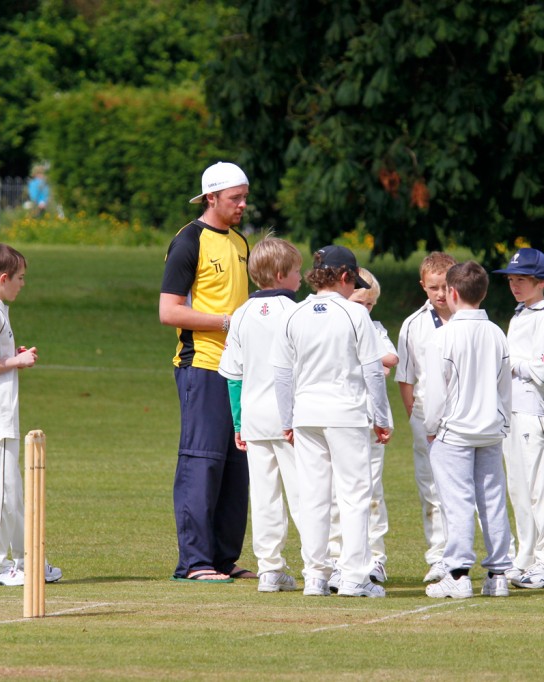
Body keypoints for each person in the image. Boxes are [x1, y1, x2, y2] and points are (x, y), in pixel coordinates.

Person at [271, 246, 392, 598]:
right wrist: (382, 418)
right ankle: (354, 577)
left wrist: (287, 419)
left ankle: (316, 576)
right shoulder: (355, 315)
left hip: (307, 415)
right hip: (347, 414)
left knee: (314, 496)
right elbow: (372, 369)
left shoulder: (294, 315)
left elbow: (282, 373)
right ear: (343, 276)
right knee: (354, 495)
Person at [159, 162, 254, 583]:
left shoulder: (240, 242)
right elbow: (169, 311)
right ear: (211, 197)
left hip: (239, 369)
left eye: (245, 196)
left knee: (237, 463)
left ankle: (223, 558)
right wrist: (227, 322)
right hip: (202, 366)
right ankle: (195, 562)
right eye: (235, 198)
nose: (243, 205)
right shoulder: (188, 241)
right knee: (203, 462)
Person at [0, 243, 61, 586]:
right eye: (20, 278)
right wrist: (17, 361)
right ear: (3, 278)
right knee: (0, 491)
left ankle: (28, 559)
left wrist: (12, 355)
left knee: (10, 490)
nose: (22, 283)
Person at [422, 261, 514, 599]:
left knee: (457, 501)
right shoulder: (497, 333)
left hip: (454, 432)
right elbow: (505, 386)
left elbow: (435, 393)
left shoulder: (442, 337)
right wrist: (502, 421)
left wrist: (431, 427)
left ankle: (458, 573)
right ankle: (498, 573)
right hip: (490, 428)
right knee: (492, 500)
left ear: (452, 293)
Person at [218, 235, 304, 593]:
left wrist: (238, 422)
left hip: (254, 418)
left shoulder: (240, 314)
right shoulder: (296, 312)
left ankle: (270, 568)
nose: (301, 278)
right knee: (306, 492)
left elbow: (233, 376)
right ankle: (322, 566)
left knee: (265, 495)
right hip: (292, 419)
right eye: (297, 271)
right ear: (282, 273)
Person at [492, 248, 544, 588]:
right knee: (517, 487)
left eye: (521, 280)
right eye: (511, 280)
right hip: (511, 408)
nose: (515, 286)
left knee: (539, 487)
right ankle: (527, 556)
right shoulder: (520, 315)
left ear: (541, 282)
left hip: (533, 408)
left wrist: (513, 361)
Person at [328, 268, 398, 590]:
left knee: (371, 492)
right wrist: (369, 363)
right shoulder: (334, 326)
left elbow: (390, 358)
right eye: (359, 301)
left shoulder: (374, 328)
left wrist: (369, 359)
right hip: (340, 417)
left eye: (370, 305)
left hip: (369, 422)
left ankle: (375, 558)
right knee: (333, 492)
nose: (364, 310)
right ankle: (337, 559)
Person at [395, 251, 456, 582]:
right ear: (423, 286)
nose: (441, 294)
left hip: (465, 417)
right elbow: (406, 380)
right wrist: (416, 419)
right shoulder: (413, 325)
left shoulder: (471, 317)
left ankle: (489, 555)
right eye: (434, 288)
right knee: (431, 488)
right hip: (426, 419)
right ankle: (439, 555)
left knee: (474, 487)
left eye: (446, 286)